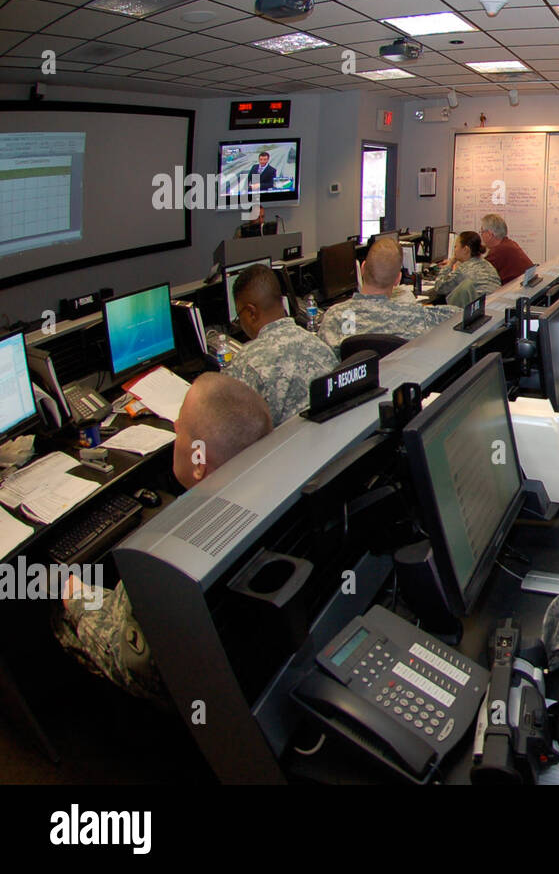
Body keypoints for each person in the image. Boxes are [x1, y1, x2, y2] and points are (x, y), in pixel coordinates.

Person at [54, 375, 274, 704]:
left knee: (53, 601)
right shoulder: (273, 495)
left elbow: (131, 661)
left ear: (199, 461)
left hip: (186, 683)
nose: (175, 432)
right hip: (250, 664)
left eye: (179, 430)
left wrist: (75, 597)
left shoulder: (168, 555)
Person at [225, 263, 336, 426]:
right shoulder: (317, 342)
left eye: (239, 316)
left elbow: (235, 431)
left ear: (251, 313)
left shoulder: (246, 364)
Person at [319, 237, 457, 357]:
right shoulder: (414, 315)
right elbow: (463, 314)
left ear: (362, 268)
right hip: (402, 383)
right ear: (398, 279)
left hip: (355, 387)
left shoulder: (335, 316)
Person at [427, 230, 502, 308]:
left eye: (456, 246)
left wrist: (450, 264)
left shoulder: (463, 270)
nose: (454, 250)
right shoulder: (487, 264)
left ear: (465, 249)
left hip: (478, 311)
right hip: (493, 306)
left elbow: (439, 287)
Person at [479, 213, 533, 283]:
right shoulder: (509, 243)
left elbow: (480, 273)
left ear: (489, 234)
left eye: (482, 232)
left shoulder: (499, 251)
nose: (481, 236)